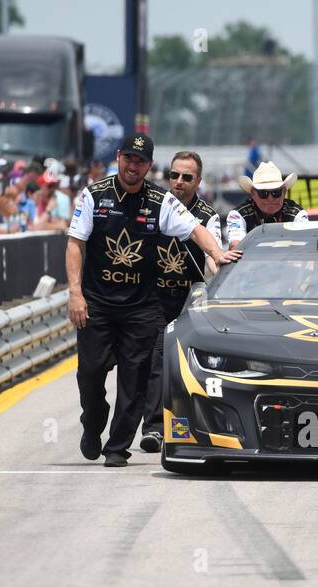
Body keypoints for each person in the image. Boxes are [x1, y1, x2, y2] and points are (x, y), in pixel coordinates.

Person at [67, 134, 240, 466]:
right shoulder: (94, 195)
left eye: (140, 162)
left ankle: (117, 447)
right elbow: (75, 243)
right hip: (98, 303)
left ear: (148, 166)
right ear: (119, 158)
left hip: (142, 306)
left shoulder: (161, 200)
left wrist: (216, 253)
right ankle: (92, 423)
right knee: (89, 374)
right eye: (128, 159)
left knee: (136, 379)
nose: (133, 166)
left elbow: (196, 229)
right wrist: (75, 294)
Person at [133, 150, 224, 454]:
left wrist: (221, 270)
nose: (179, 182)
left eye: (187, 177)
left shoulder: (208, 215)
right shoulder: (154, 206)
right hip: (155, 298)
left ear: (198, 180)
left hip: (192, 300)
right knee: (156, 359)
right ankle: (155, 428)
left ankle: (204, 424)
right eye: (174, 175)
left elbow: (214, 258)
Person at [224, 162, 307, 249]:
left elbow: (305, 246)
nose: (270, 199)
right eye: (263, 193)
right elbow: (236, 246)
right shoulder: (238, 215)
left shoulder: (297, 213)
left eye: (276, 192)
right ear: (253, 193)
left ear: (284, 192)